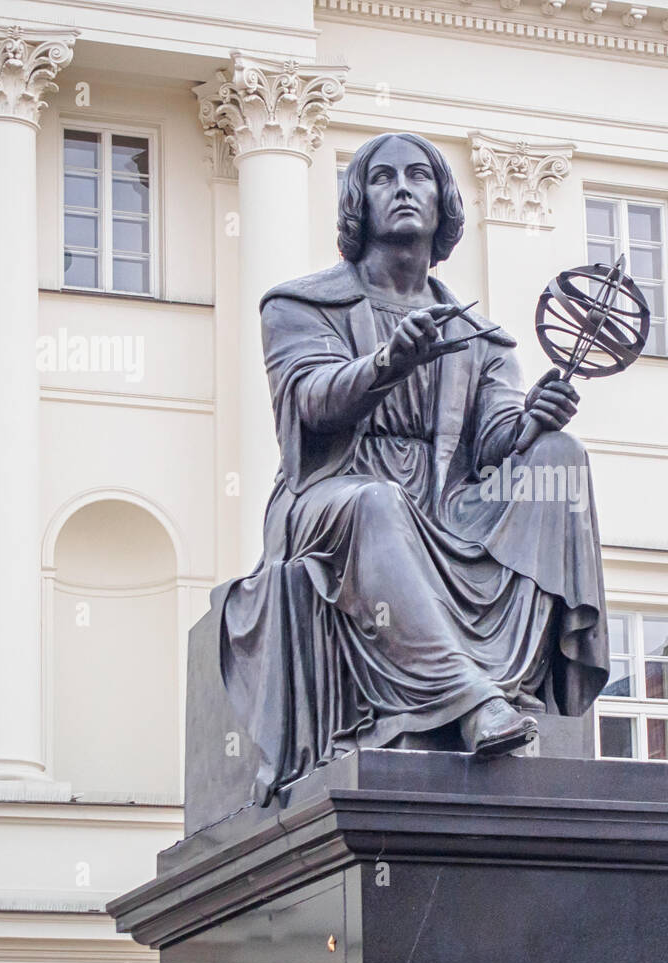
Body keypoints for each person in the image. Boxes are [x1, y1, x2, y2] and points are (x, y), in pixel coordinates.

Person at [215, 132, 610, 806]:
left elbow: (494, 440)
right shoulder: (299, 306)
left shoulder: (479, 338)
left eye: (419, 177)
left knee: (559, 460)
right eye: (382, 178)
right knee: (376, 502)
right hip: (328, 502)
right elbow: (310, 403)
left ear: (442, 202)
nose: (401, 188)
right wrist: (384, 364)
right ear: (357, 204)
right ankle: (472, 701)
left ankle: (534, 697)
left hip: (444, 506)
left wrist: (533, 421)